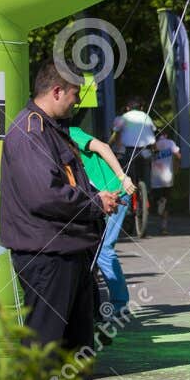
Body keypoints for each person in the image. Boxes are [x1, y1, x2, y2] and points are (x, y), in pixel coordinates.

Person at [0, 61, 123, 380]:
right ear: (56, 91)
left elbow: (67, 183)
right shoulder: (29, 132)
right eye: (73, 94)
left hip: (69, 251)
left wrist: (96, 196)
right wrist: (94, 203)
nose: (76, 102)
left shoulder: (53, 130)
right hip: (47, 254)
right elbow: (44, 195)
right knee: (43, 344)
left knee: (77, 346)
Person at [68, 114, 137, 328]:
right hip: (97, 197)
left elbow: (103, 147)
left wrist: (122, 177)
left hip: (115, 192)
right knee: (92, 248)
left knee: (104, 248)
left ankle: (120, 305)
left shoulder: (70, 133)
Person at [109, 95, 157, 187]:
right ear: (140, 107)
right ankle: (147, 190)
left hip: (130, 151)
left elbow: (116, 133)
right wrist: (156, 149)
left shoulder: (124, 117)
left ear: (128, 108)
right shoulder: (146, 116)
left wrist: (113, 145)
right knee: (146, 171)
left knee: (129, 173)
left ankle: (131, 190)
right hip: (146, 150)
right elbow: (152, 133)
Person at [148, 133, 181, 236]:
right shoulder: (170, 143)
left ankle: (158, 205)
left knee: (156, 200)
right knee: (166, 202)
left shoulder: (151, 144)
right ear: (166, 134)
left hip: (155, 178)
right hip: (168, 177)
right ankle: (164, 227)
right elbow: (178, 156)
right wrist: (176, 167)